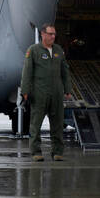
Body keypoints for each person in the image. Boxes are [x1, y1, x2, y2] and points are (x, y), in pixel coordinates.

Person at [20, 24, 74, 161]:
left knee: (57, 124)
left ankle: (57, 152)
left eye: (54, 34)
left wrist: (68, 89)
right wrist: (25, 91)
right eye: (50, 34)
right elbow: (27, 72)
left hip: (56, 93)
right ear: (43, 34)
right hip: (39, 93)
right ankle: (36, 152)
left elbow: (65, 72)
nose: (53, 36)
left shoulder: (58, 51)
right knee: (36, 124)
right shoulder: (34, 50)